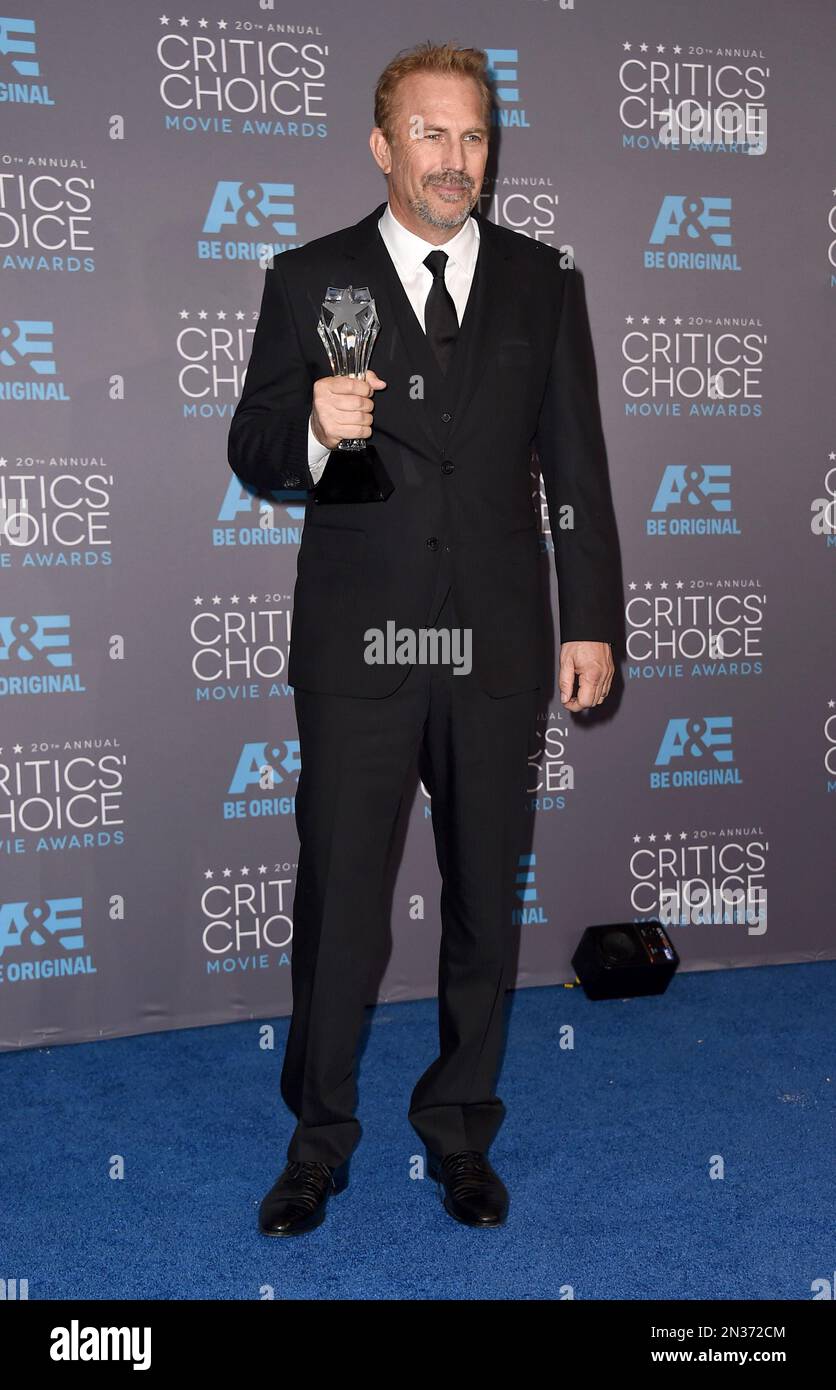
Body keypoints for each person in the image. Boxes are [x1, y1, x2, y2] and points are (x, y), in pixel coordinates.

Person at [227, 40, 622, 1236]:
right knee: (341, 903)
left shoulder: (542, 280)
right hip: (360, 648)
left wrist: (591, 618)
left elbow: (575, 466)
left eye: (474, 137)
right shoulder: (311, 276)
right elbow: (250, 446)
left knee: (478, 908)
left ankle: (459, 1126)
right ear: (381, 144)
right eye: (432, 135)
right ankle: (318, 1138)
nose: (456, 161)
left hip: (496, 644)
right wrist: (308, 424)